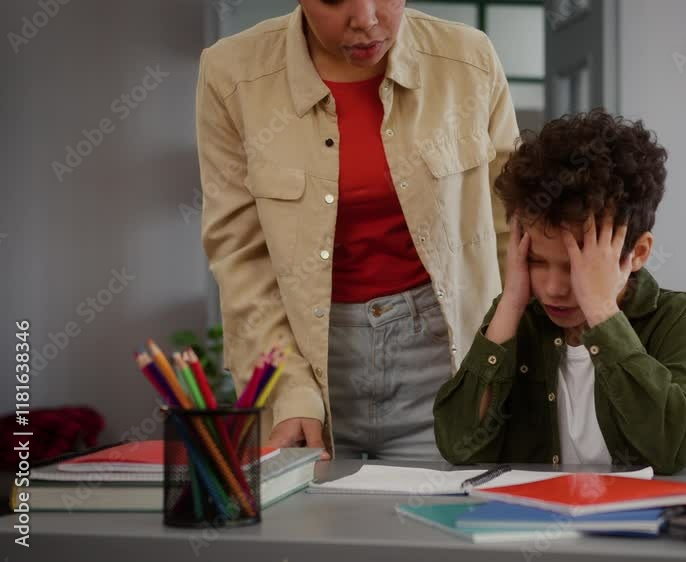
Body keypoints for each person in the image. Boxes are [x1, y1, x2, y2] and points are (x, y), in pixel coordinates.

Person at [196, 0, 518, 461]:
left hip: (451, 370)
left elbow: (514, 234)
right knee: (313, 531)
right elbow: (241, 255)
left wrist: (510, 369)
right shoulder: (231, 74)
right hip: (308, 365)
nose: (365, 18)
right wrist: (289, 392)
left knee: (441, 530)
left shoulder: (469, 59)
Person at [433, 109, 686, 474]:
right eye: (536, 261)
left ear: (638, 253)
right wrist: (510, 303)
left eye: (577, 266)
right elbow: (458, 446)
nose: (552, 289)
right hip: (530, 521)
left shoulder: (679, 318)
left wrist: (601, 310)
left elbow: (671, 451)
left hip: (634, 524)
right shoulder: (518, 317)